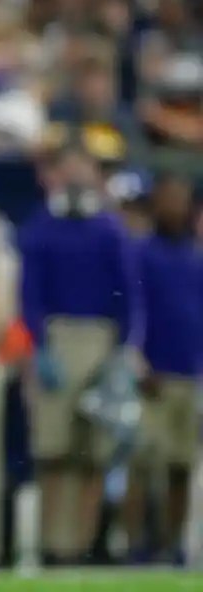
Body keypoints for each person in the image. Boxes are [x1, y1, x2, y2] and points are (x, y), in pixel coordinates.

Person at [17, 146, 141, 565]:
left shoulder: (109, 228)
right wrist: (39, 343)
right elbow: (30, 293)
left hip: (98, 340)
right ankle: (53, 544)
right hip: (57, 335)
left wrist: (123, 349)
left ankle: (85, 543)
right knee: (52, 450)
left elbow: (127, 293)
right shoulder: (42, 226)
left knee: (92, 453)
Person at [124, 174, 200, 564]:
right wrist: (138, 360)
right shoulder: (142, 252)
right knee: (143, 465)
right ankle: (135, 542)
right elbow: (134, 308)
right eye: (168, 197)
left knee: (181, 466)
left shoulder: (197, 256)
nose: (175, 206)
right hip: (152, 374)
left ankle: (173, 544)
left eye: (181, 198)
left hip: (190, 372)